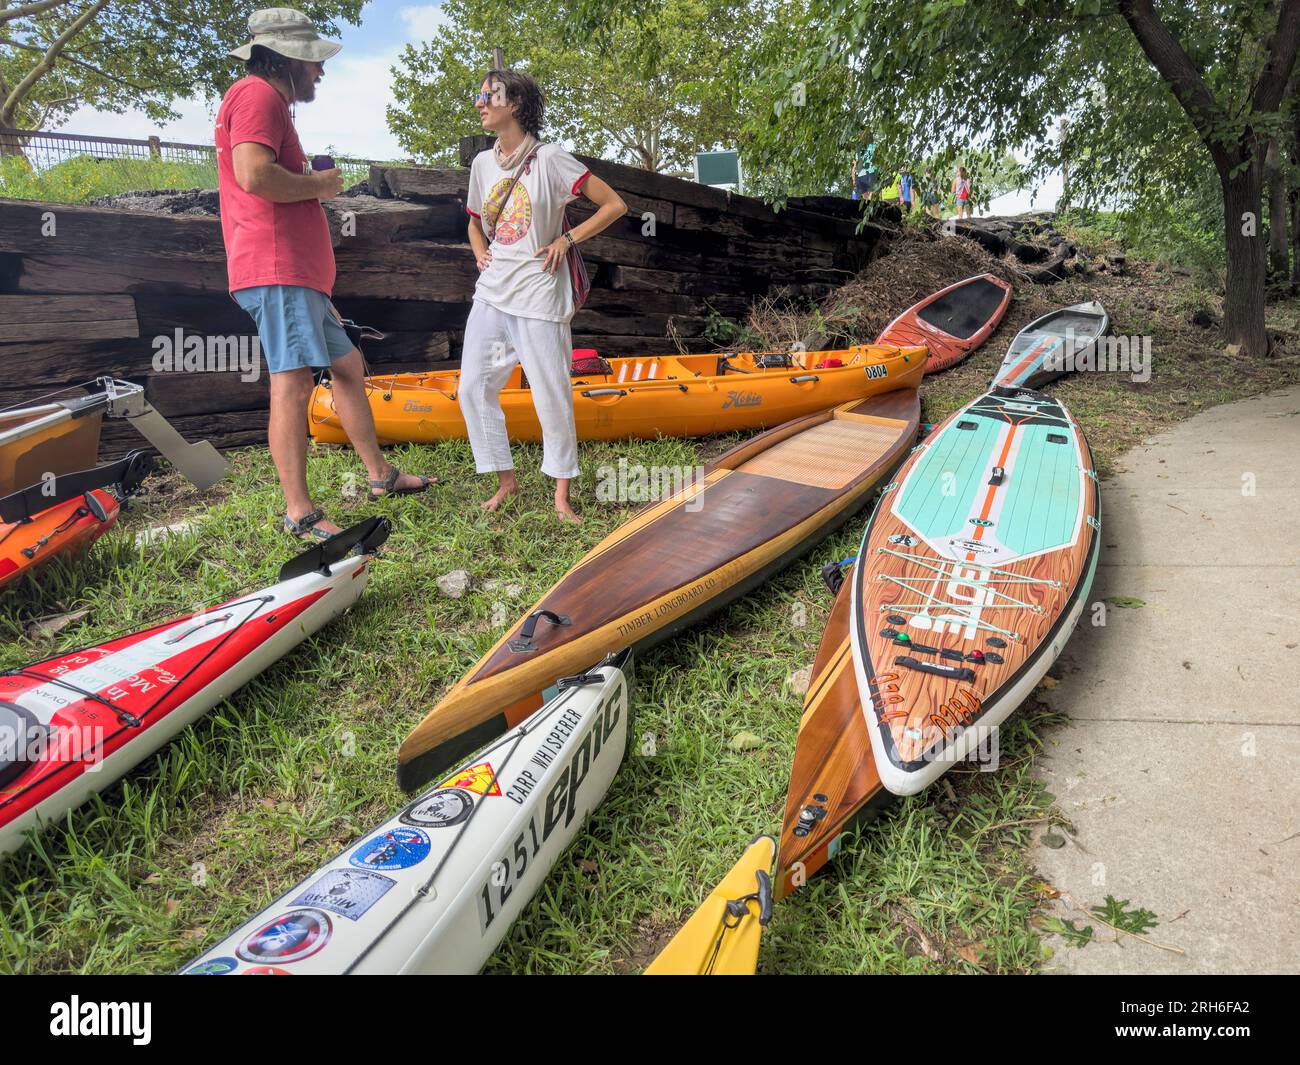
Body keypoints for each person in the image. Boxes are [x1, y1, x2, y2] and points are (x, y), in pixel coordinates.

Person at [217, 8, 433, 541]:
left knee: (348, 365)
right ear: (287, 60)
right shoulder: (257, 95)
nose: (320, 72)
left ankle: (380, 475)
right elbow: (253, 175)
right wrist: (321, 185)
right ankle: (299, 512)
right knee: (292, 384)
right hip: (277, 270)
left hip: (301, 279)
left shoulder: (268, 101)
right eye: (313, 63)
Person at [462, 69, 627, 523]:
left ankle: (560, 493)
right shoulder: (482, 163)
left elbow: (614, 205)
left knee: (550, 393)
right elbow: (475, 221)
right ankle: (505, 481)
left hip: (538, 294)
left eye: (487, 95)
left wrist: (567, 240)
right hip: (492, 293)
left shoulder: (551, 158)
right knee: (473, 388)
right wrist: (480, 254)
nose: (480, 103)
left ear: (514, 103)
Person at [851, 134, 879, 202]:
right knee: (871, 197)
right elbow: (878, 160)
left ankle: (866, 210)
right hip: (871, 174)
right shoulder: (874, 147)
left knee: (865, 199)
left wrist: (854, 179)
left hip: (860, 176)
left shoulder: (859, 150)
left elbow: (855, 166)